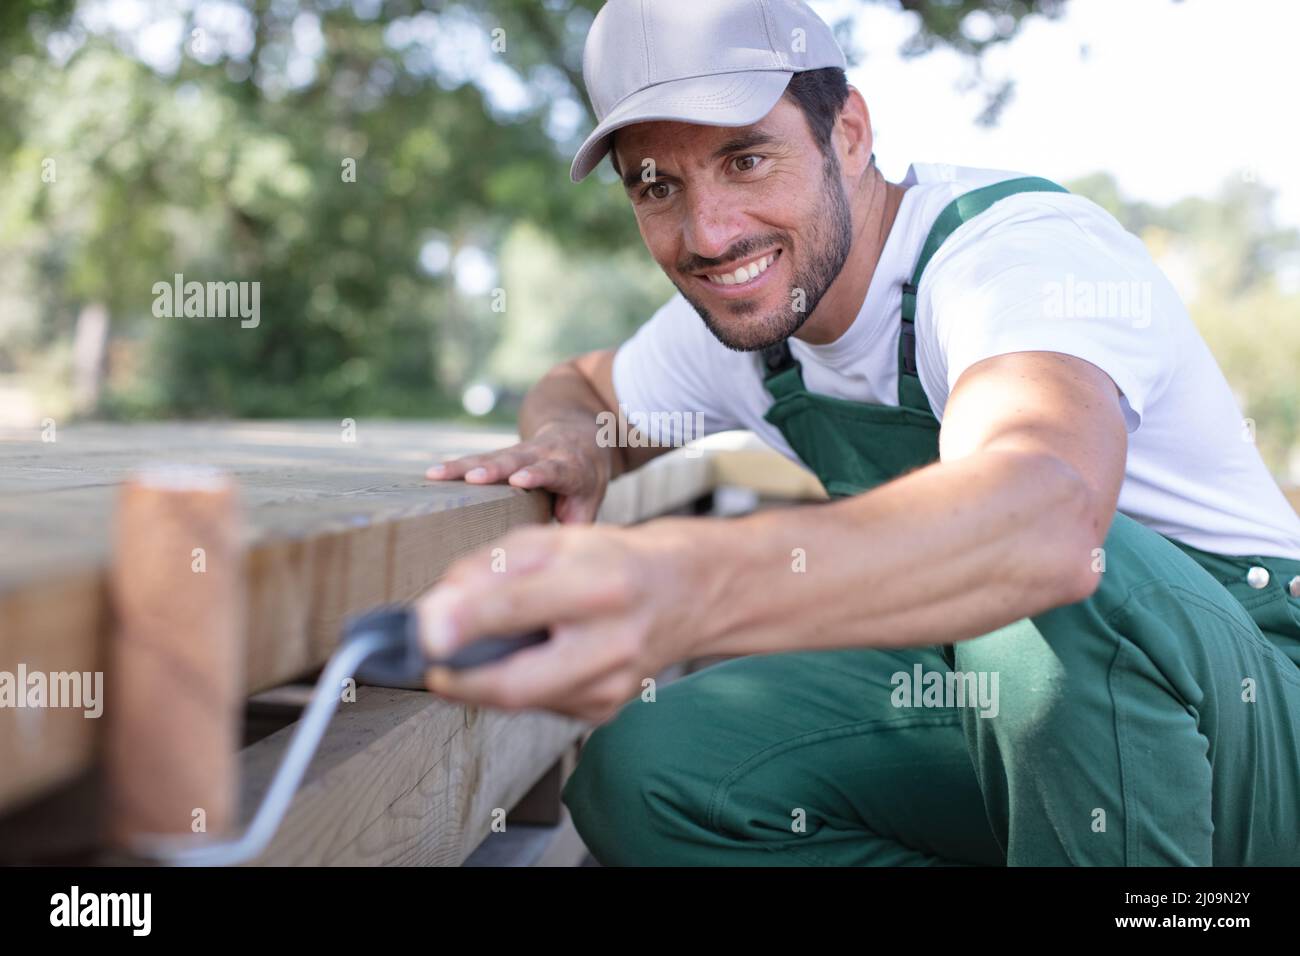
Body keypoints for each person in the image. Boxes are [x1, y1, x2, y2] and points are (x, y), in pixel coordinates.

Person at [419, 0, 1300, 865]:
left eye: (747, 159)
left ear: (849, 132)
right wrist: (574, 445)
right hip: (1022, 720)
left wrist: (687, 582)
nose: (710, 232)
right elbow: (575, 384)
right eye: (657, 184)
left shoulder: (1013, 257)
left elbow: (1046, 522)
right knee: (651, 778)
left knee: (1023, 580)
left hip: (1254, 715)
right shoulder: (749, 323)